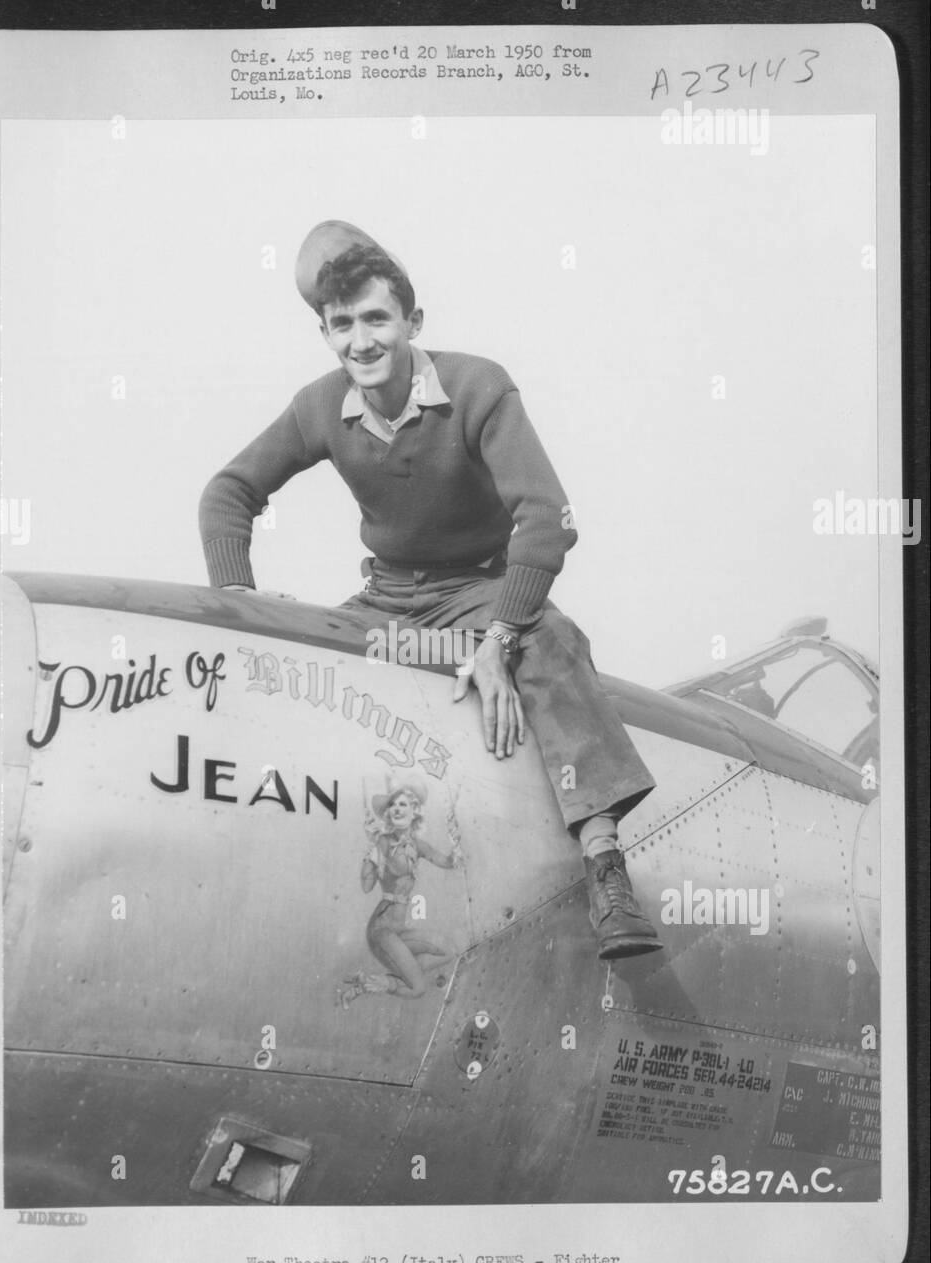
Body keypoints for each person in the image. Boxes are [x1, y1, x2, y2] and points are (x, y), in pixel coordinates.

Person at [199, 220, 661, 960]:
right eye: (341, 325)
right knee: (285, 671)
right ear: (323, 333)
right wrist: (240, 601)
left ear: (414, 322)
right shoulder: (320, 406)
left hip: (477, 593)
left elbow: (546, 520)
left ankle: (606, 867)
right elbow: (228, 493)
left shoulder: (479, 386)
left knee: (554, 643)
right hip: (385, 605)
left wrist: (499, 639)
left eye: (377, 319)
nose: (361, 342)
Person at [338, 781, 460, 1008]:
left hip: (399, 930)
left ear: (415, 812)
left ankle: (365, 983)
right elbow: (366, 886)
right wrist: (371, 857)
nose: (396, 808)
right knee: (417, 988)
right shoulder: (383, 842)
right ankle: (377, 984)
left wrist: (456, 844)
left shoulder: (418, 846)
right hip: (381, 930)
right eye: (392, 804)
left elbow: (447, 862)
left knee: (448, 951)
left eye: (402, 804)